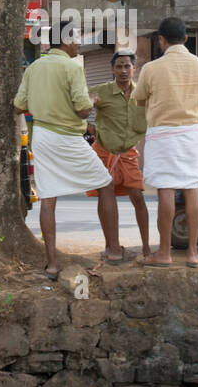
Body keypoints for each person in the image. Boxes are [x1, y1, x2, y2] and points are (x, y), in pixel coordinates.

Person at [13, 23, 122, 280]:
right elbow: (83, 110)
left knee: (48, 198)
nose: (78, 44)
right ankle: (114, 250)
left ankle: (51, 265)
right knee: (106, 184)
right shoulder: (72, 67)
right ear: (65, 40)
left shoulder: (34, 67)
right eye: (75, 38)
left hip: (42, 136)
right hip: (68, 137)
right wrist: (93, 99)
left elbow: (18, 106)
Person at [132, 17, 198, 267]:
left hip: (163, 134)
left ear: (161, 40)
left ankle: (164, 254)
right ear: (186, 38)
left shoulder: (151, 68)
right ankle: (193, 254)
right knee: (192, 188)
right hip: (190, 133)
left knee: (165, 189)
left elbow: (140, 100)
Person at [87, 50, 150, 257]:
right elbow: (78, 109)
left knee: (138, 199)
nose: (123, 70)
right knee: (105, 198)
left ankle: (147, 247)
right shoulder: (101, 91)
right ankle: (111, 246)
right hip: (104, 152)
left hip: (128, 154)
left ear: (134, 68)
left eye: (127, 66)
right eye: (119, 66)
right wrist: (91, 129)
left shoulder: (142, 92)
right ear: (112, 69)